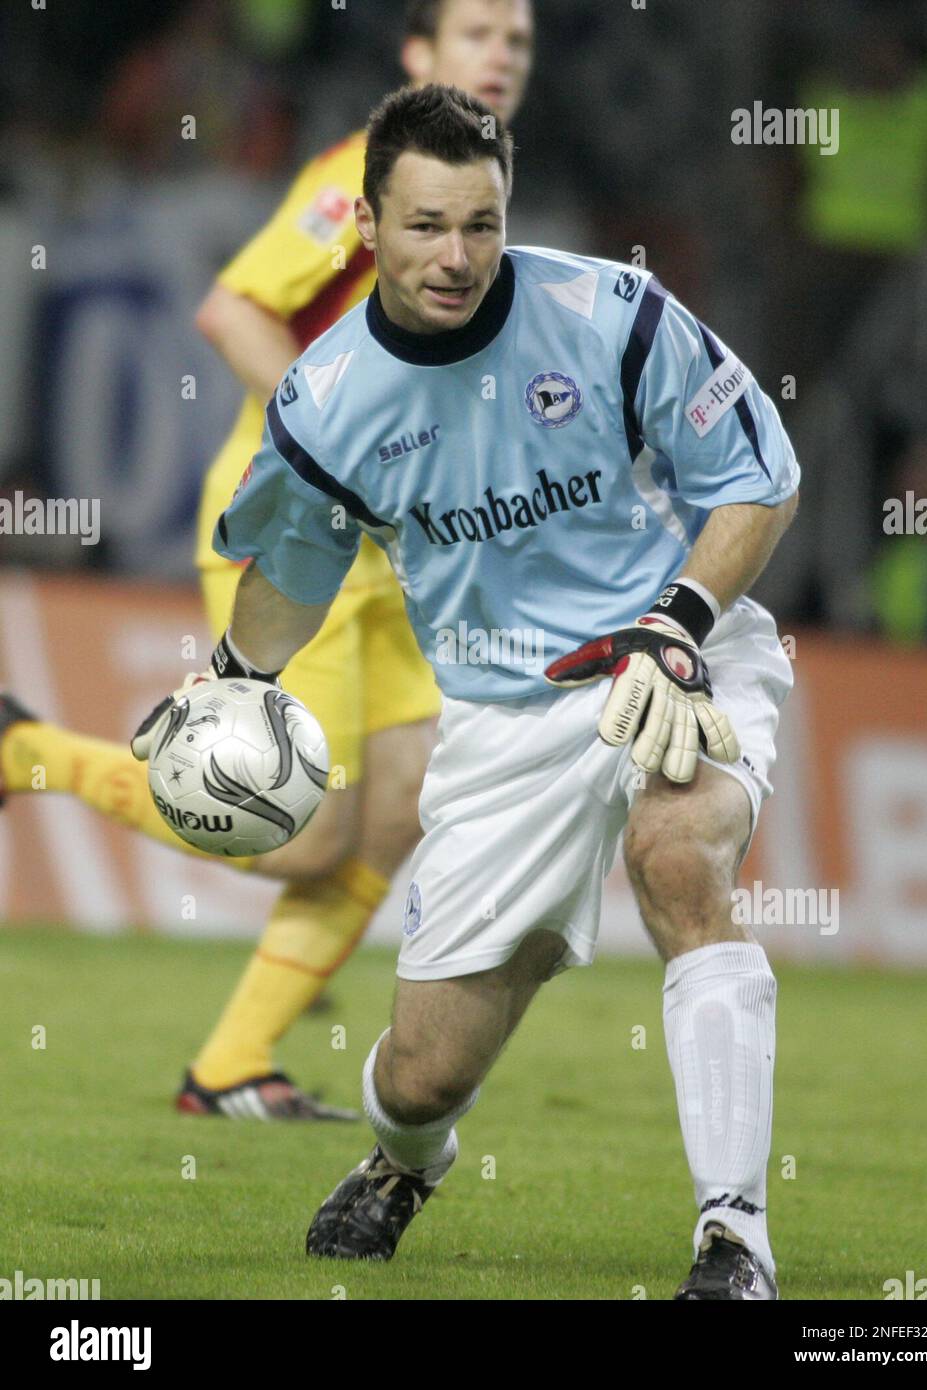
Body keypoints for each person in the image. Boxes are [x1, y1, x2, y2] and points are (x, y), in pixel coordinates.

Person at [135, 83, 800, 1298]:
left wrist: (677, 623)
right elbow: (289, 569)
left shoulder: (606, 312)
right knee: (420, 1075)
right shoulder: (327, 401)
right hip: (501, 719)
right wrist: (233, 680)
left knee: (679, 858)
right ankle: (403, 1162)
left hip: (669, 654)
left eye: (482, 223)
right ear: (370, 230)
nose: (458, 256)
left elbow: (757, 476)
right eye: (429, 225)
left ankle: (733, 1237)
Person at [0, 0, 535, 1121]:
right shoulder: (361, 177)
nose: (499, 55)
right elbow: (232, 308)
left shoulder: (487, 208)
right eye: (477, 33)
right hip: (301, 530)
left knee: (399, 814)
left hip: (411, 556)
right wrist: (345, 450)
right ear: (418, 58)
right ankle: (26, 750)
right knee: (305, 838)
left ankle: (231, 1066)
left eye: (517, 40)